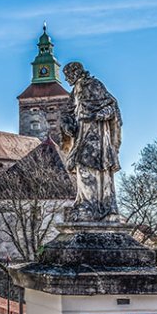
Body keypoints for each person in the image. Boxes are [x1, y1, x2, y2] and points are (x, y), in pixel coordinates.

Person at [61, 62, 122, 221]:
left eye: (68, 75)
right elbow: (67, 113)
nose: (66, 79)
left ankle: (101, 206)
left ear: (76, 72)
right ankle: (85, 204)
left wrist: (96, 116)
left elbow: (111, 108)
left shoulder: (95, 85)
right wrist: (68, 125)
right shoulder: (75, 91)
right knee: (82, 166)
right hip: (81, 136)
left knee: (96, 168)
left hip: (97, 138)